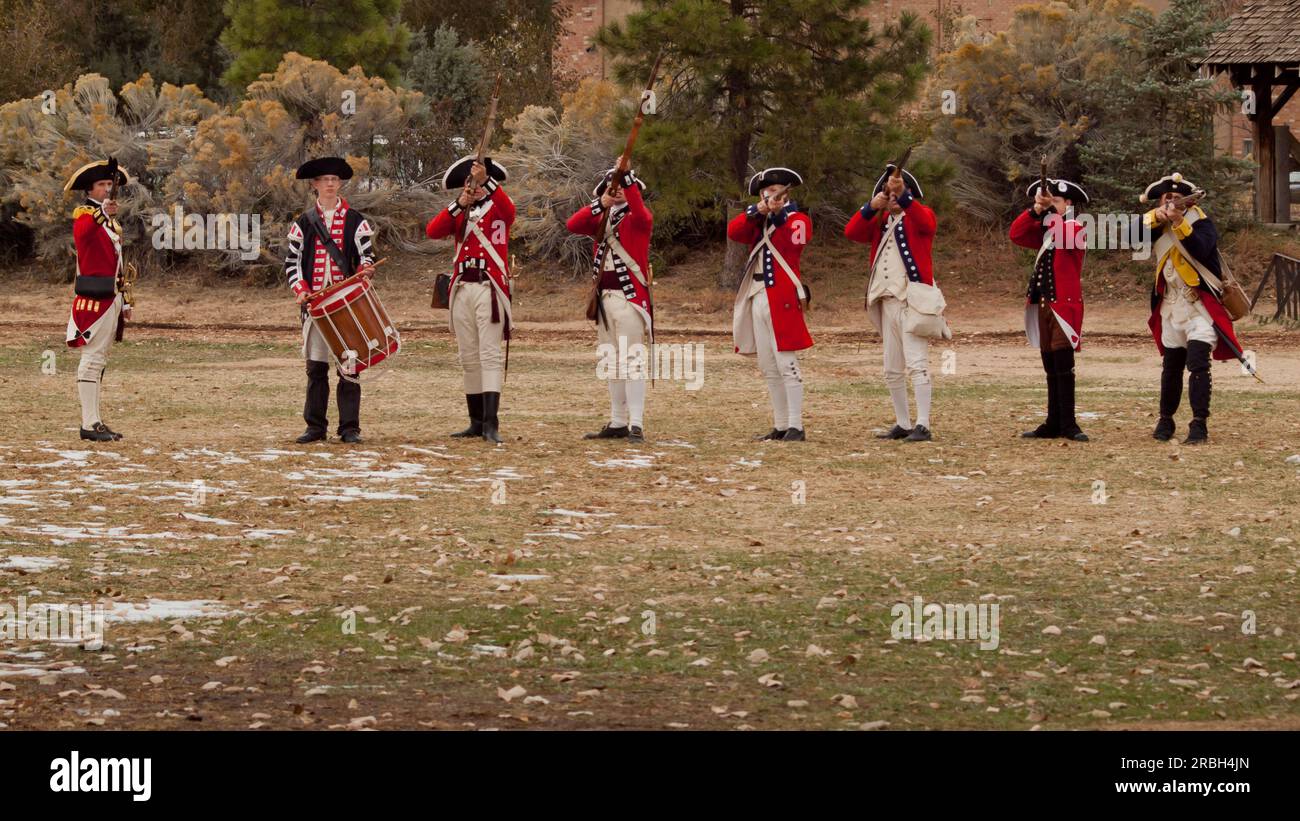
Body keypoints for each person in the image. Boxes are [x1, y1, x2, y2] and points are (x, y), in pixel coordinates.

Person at [1141, 173, 1240, 444]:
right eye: (1166, 199)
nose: (1170, 202)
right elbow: (1131, 241)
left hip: (1199, 308)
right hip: (1171, 308)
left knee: (1198, 365)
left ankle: (1199, 425)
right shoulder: (1156, 225)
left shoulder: (1202, 224)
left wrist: (1178, 222)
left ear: (1186, 202)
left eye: (1175, 198)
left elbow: (1200, 248)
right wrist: (1155, 218)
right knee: (1171, 367)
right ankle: (1165, 420)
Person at [284, 156, 377, 444]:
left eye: (334, 180)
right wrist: (301, 289)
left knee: (349, 366)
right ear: (314, 185)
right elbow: (292, 262)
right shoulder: (302, 223)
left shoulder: (356, 221)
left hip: (347, 304)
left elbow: (366, 257)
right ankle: (315, 427)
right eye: (324, 180)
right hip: (315, 305)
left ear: (339, 184)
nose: (330, 184)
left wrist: (365, 272)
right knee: (316, 366)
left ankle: (350, 428)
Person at [844, 166, 938, 442]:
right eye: (889, 193)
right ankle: (902, 422)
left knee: (917, 363)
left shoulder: (918, 216)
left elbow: (927, 223)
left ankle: (923, 424)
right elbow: (852, 231)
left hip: (912, 301)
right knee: (892, 368)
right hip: (886, 302)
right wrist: (873, 206)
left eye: (898, 192)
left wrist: (904, 197)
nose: (894, 198)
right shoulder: (880, 222)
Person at [426, 155, 515, 444]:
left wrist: (487, 181)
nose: (474, 187)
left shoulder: (498, 207)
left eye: (477, 183)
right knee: (468, 357)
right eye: (470, 183)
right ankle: (475, 422)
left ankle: (491, 423)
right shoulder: (461, 212)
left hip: (489, 287)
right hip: (462, 287)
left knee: (489, 354)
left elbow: (510, 210)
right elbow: (433, 230)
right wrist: (460, 203)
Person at [566, 167, 654, 443]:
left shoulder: (636, 217)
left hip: (629, 298)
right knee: (612, 362)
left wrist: (627, 180)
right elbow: (573, 224)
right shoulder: (601, 217)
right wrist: (599, 203)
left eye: (617, 188)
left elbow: (642, 213)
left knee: (632, 362)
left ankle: (636, 424)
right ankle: (617, 421)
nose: (613, 191)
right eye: (609, 187)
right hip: (605, 298)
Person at [727, 167, 813, 442]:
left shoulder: (797, 219)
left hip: (782, 295)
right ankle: (780, 424)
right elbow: (734, 231)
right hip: (757, 293)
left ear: (785, 192)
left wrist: (777, 214)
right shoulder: (758, 219)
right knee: (768, 364)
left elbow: (795, 242)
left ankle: (796, 426)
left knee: (786, 362)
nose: (769, 195)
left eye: (774, 191)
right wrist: (759, 211)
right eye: (765, 192)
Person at [1009, 177, 1089, 442]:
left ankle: (1069, 423)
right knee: (1050, 366)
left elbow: (1066, 239)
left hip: (1064, 306)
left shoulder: (1076, 226)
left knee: (1064, 367)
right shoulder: (1046, 229)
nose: (1051, 205)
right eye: (1049, 200)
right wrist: (1035, 210)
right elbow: (1016, 234)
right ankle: (1053, 421)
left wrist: (1049, 212)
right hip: (1043, 305)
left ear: (1068, 203)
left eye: (1056, 201)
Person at [64, 159, 133, 442]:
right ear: (90, 189)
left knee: (99, 359)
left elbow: (116, 263)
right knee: (91, 359)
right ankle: (89, 424)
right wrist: (100, 214)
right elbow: (82, 236)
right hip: (93, 299)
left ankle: (94, 421)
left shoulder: (109, 221)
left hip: (110, 296)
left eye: (109, 184)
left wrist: (125, 299)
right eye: (102, 185)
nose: (107, 189)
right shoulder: (85, 215)